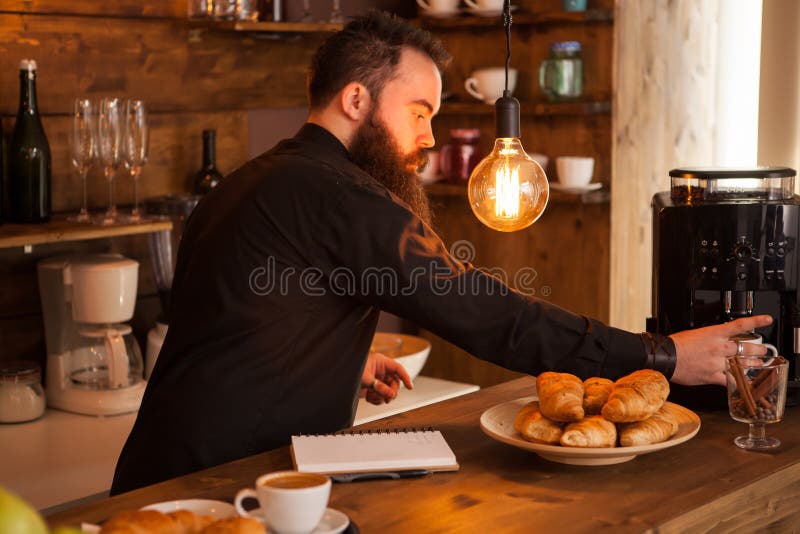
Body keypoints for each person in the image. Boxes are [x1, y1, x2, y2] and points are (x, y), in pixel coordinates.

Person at [111, 11, 771, 494]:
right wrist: (665, 354)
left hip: (159, 472)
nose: (427, 137)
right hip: (225, 488)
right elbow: (488, 313)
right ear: (356, 99)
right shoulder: (341, 194)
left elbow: (230, 311)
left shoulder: (252, 180)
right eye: (420, 111)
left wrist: (331, 357)